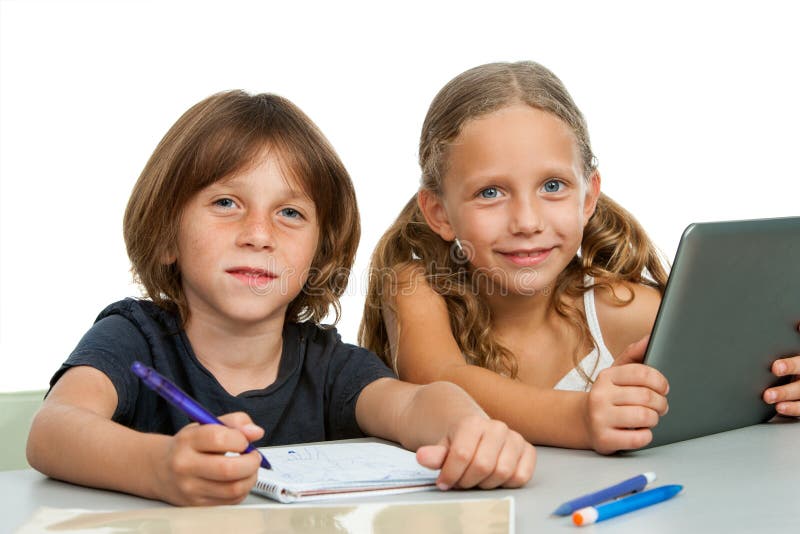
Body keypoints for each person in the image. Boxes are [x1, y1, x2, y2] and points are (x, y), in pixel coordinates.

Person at [26, 91, 535, 506]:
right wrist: (158, 468)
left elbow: (417, 403)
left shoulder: (328, 366)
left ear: (320, 254)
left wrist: (470, 430)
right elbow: (53, 430)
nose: (258, 234)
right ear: (165, 236)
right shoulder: (133, 337)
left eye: (289, 213)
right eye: (226, 203)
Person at [359, 61, 800, 454]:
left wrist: (781, 385)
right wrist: (580, 418)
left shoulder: (618, 309)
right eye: (490, 192)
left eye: (552, 186)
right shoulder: (416, 285)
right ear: (439, 212)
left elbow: (742, 373)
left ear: (588, 197)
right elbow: (440, 379)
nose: (527, 221)